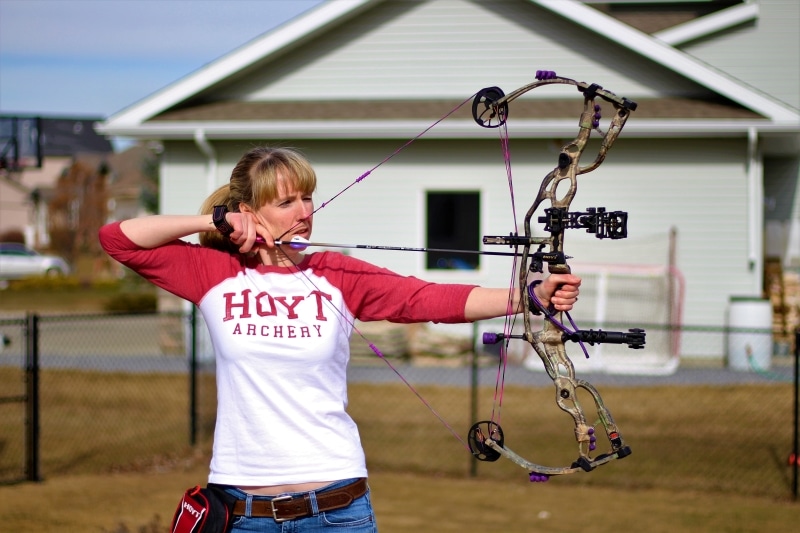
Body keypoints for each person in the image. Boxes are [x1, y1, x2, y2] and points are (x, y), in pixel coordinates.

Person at [99, 146, 580, 532]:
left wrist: (529, 295)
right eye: (286, 202)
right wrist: (214, 223)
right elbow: (117, 239)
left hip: (337, 509)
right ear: (249, 212)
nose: (304, 212)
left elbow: (427, 298)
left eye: (307, 198)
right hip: (243, 508)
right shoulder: (212, 273)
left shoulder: (336, 274)